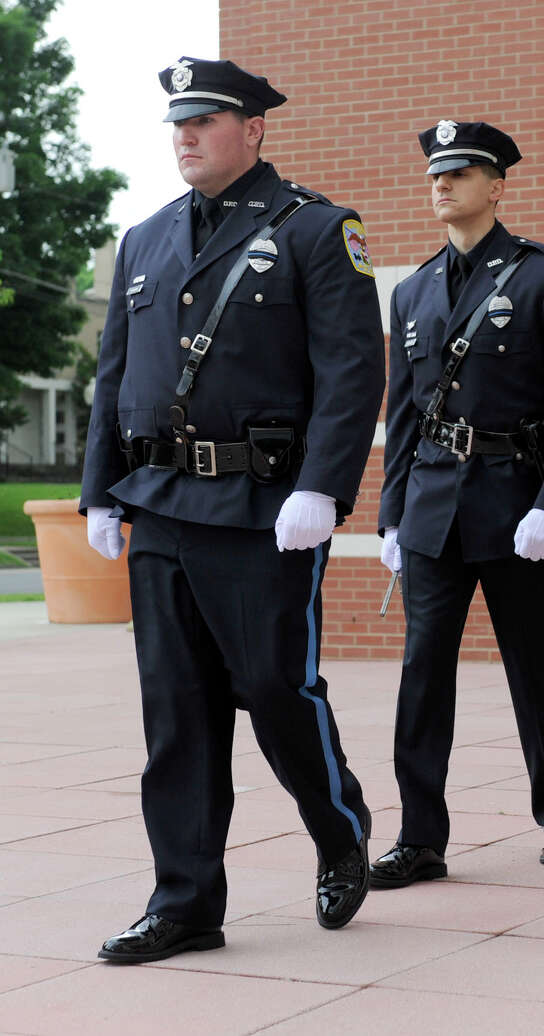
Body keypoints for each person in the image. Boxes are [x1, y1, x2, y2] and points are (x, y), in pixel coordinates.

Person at [80, 57, 384, 961]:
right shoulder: (144, 238)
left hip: (262, 506)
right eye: (178, 123)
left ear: (253, 129)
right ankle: (185, 903)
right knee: (176, 709)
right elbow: (113, 378)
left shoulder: (316, 229)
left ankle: (339, 831)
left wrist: (323, 488)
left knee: (270, 689)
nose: (186, 136)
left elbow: (351, 371)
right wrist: (101, 487)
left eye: (205, 121)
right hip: (160, 503)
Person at [372, 120, 544, 885]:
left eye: (462, 173)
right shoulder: (411, 291)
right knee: (422, 674)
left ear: (497, 185)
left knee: (532, 666)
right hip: (435, 507)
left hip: (516, 505)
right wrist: (393, 513)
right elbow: (403, 412)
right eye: (437, 173)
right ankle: (420, 838)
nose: (443, 184)